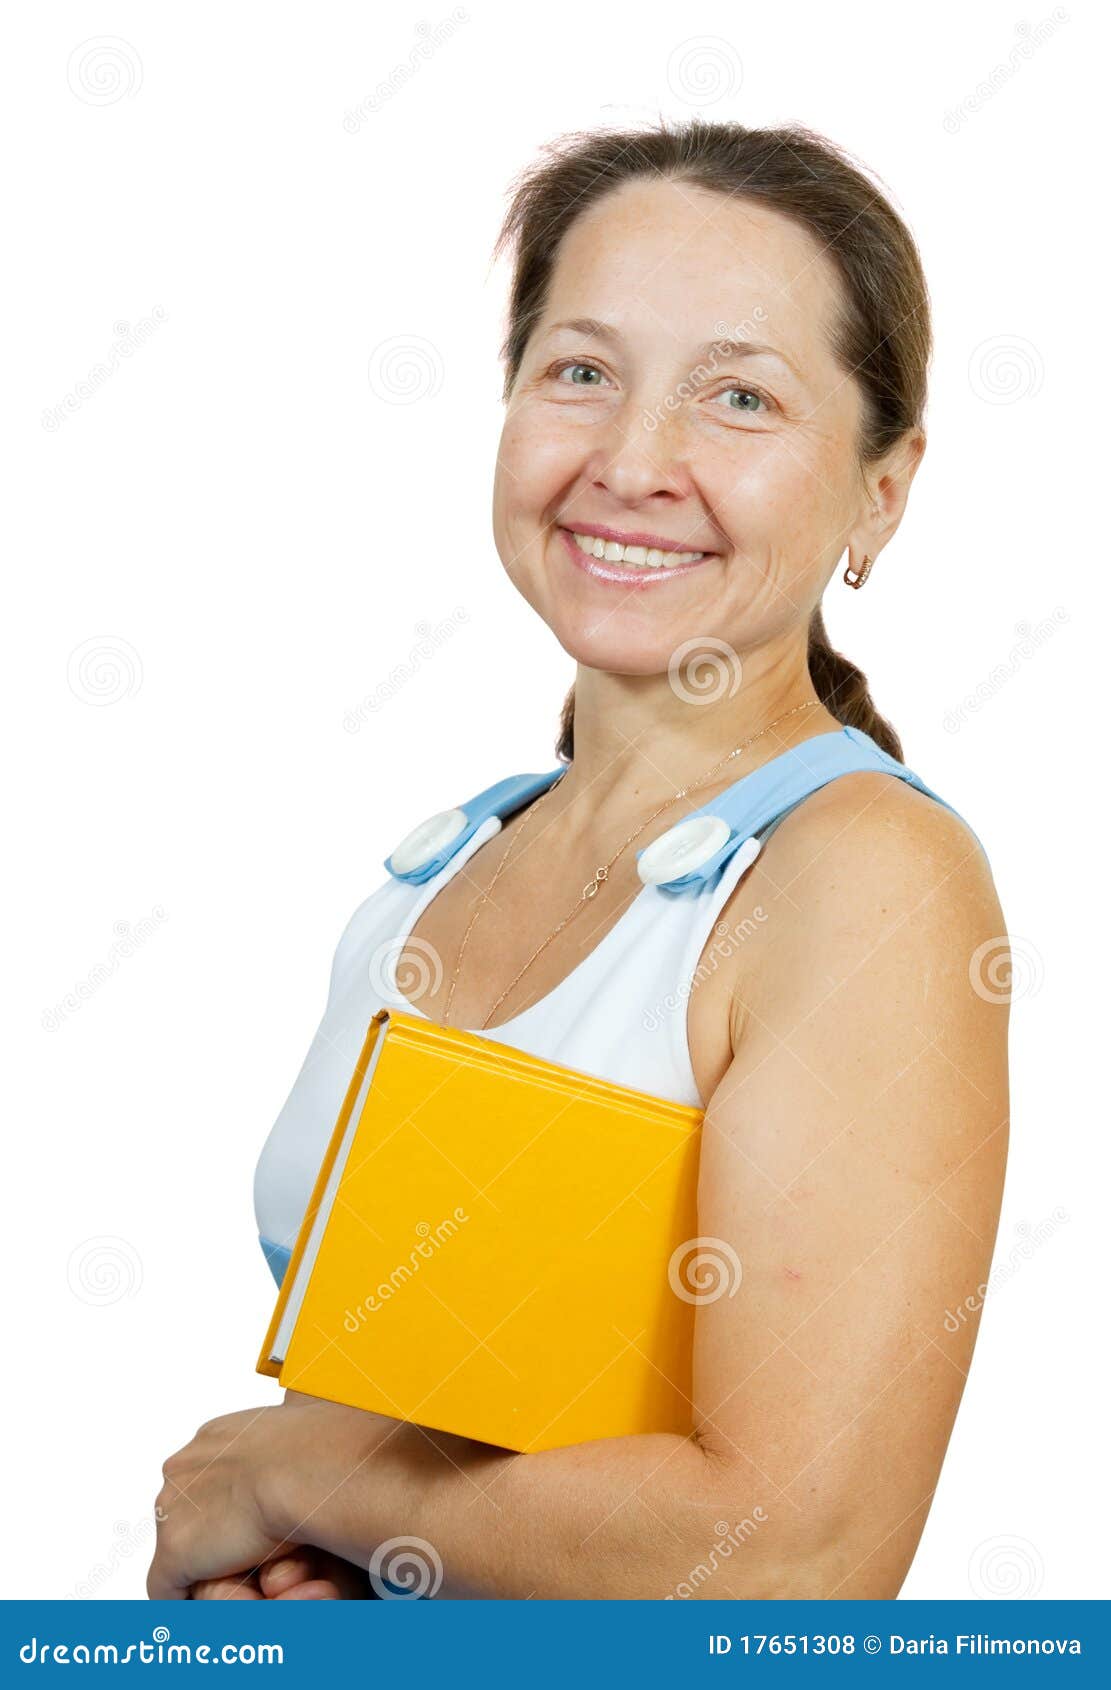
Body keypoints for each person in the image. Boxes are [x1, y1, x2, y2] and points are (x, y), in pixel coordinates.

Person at [149, 117, 1010, 1602]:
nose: (632, 460)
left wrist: (289, 1481)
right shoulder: (429, 878)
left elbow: (798, 1557)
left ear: (883, 488)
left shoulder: (861, 882)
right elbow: (424, 1457)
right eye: (580, 372)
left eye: (738, 397)